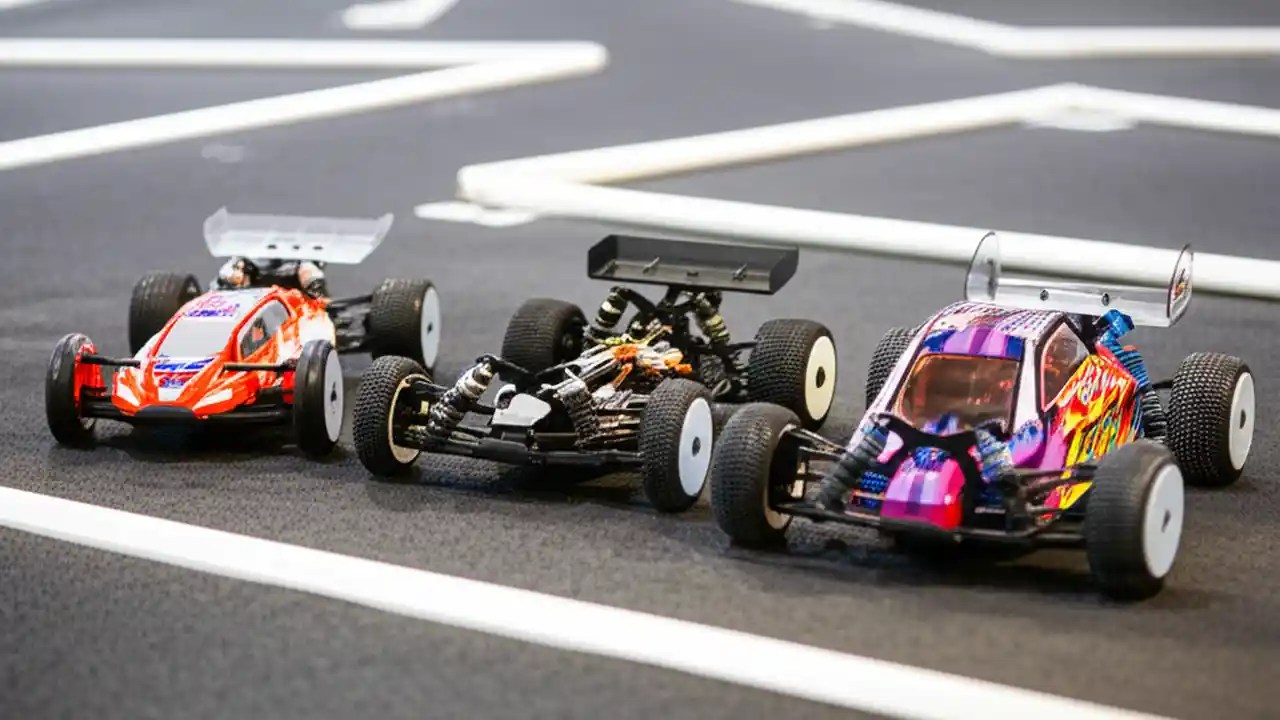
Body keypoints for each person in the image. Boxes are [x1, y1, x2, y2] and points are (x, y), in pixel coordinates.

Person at [213, 257, 328, 298]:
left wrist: (312, 280)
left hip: (294, 302)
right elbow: (226, 274)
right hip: (251, 300)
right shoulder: (245, 262)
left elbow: (310, 274)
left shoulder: (303, 262)